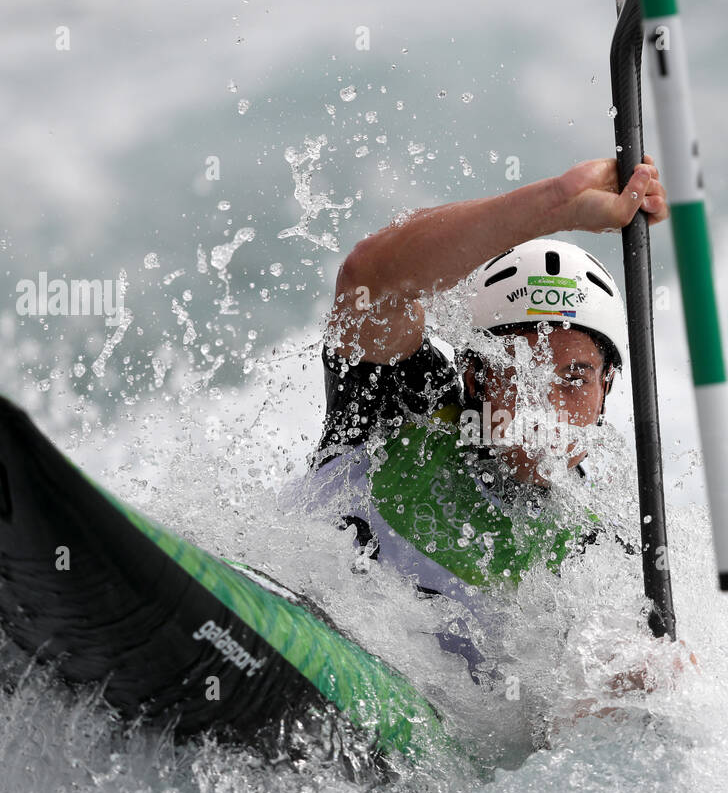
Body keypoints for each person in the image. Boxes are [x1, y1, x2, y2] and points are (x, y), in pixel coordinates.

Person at [282, 154, 670, 691]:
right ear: (476, 377)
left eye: (575, 378)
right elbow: (370, 276)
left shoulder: (596, 548)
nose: (545, 406)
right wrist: (552, 204)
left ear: (606, 391)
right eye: (520, 370)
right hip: (286, 624)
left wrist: (623, 693)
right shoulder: (406, 403)